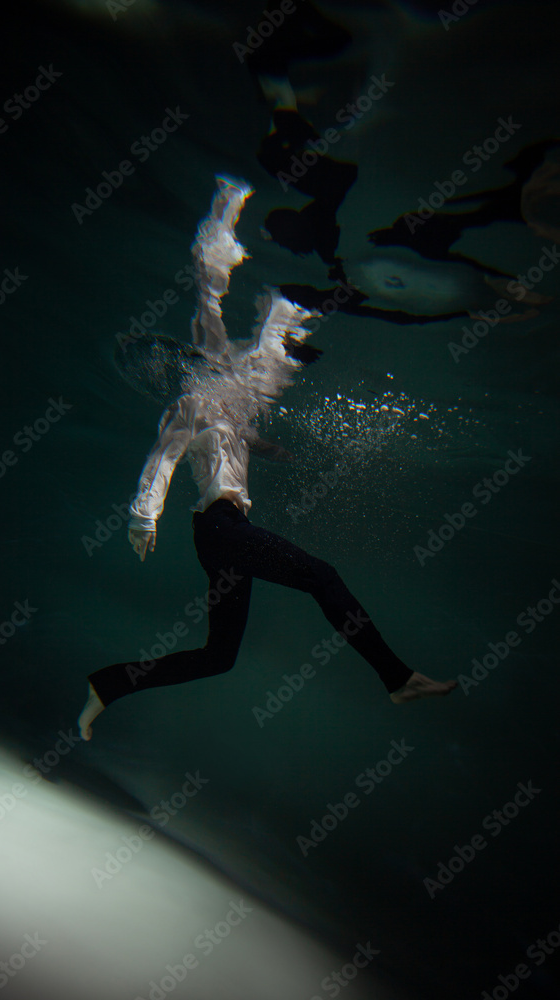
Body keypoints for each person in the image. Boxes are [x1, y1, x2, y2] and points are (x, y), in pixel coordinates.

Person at [78, 177, 457, 741]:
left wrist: (265, 448)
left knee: (218, 655)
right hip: (221, 529)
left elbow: (229, 442)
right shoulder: (191, 399)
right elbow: (163, 457)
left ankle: (107, 686)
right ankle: (397, 677)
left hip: (226, 531)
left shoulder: (227, 409)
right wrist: (143, 517)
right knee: (322, 576)